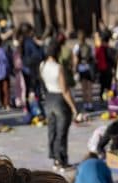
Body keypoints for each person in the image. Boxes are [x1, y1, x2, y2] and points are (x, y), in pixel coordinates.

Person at [40, 42, 77, 170]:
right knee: (62, 132)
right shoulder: (58, 67)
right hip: (59, 100)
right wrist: (73, 107)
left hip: (49, 98)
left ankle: (55, 159)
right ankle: (62, 160)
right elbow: (65, 90)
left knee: (52, 130)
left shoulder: (42, 65)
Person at [74, 32, 95, 112]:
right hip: (89, 68)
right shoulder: (90, 46)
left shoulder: (77, 46)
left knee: (83, 87)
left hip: (81, 68)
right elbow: (93, 56)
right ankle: (90, 104)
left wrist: (75, 69)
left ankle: (85, 104)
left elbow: (75, 58)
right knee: (89, 87)